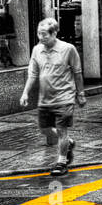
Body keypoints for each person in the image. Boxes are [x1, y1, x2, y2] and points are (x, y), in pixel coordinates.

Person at [20, 17, 86, 177]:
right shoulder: (37, 50)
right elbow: (33, 74)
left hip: (64, 97)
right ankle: (69, 143)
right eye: (39, 34)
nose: (41, 37)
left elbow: (77, 73)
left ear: (54, 33)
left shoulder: (68, 49)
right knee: (45, 129)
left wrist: (81, 94)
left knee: (62, 130)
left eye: (44, 34)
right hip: (45, 99)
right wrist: (25, 92)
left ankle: (61, 162)